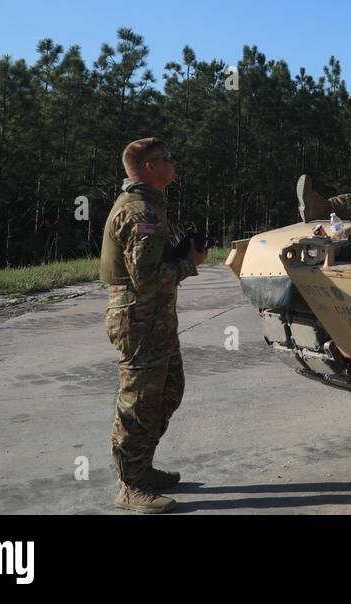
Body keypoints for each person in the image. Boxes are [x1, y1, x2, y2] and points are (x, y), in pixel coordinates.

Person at [99, 137, 206, 514]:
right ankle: (130, 486)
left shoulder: (149, 206)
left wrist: (177, 257)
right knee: (140, 402)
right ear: (148, 168)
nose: (173, 163)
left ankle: (141, 467)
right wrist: (188, 263)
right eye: (167, 158)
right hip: (138, 320)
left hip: (154, 320)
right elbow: (145, 279)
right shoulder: (140, 212)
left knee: (168, 391)